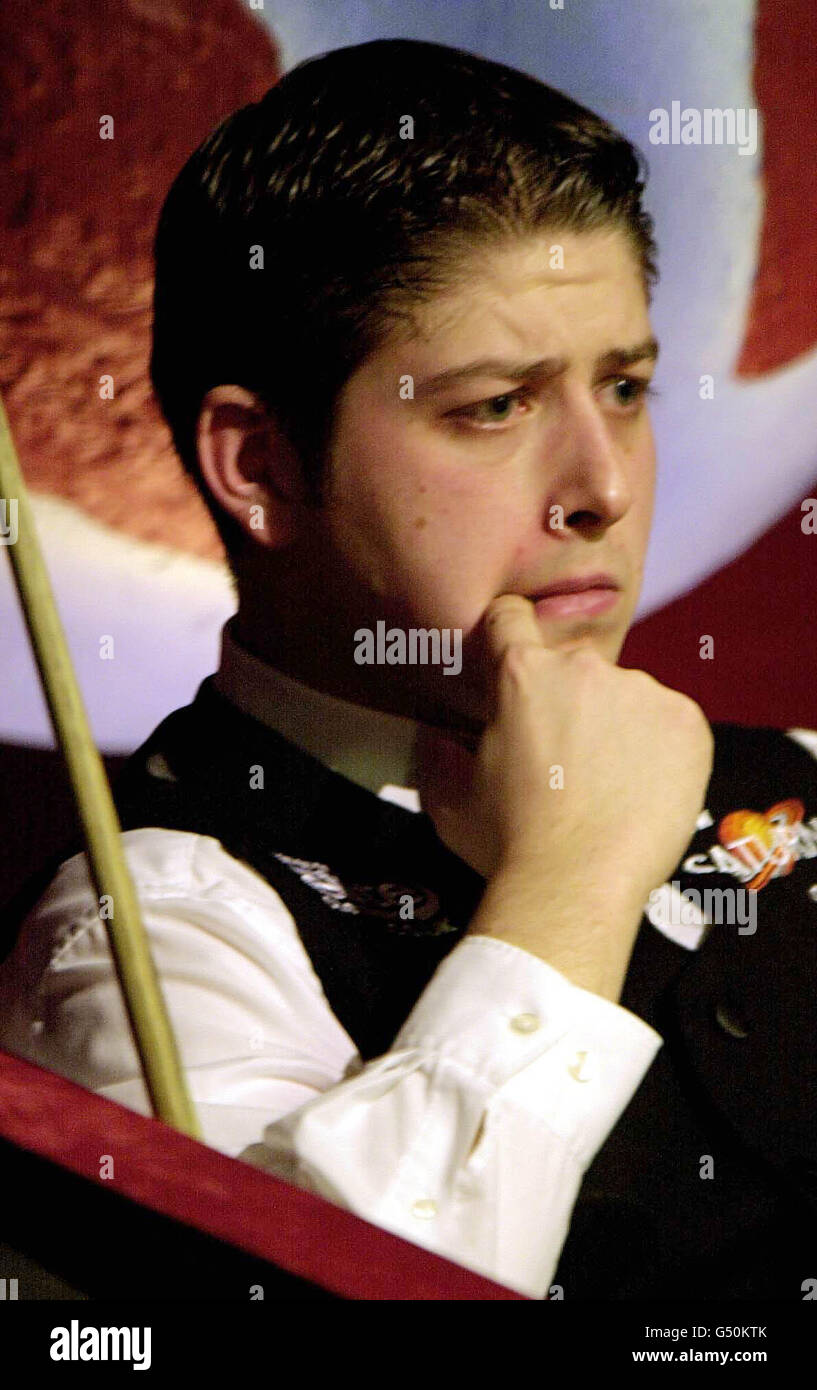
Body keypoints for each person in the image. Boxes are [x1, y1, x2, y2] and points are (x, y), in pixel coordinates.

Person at [1, 38, 816, 1301]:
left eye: (627, 385)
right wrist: (571, 885)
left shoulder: (796, 781)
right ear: (260, 467)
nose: (603, 486)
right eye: (496, 406)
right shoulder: (156, 931)